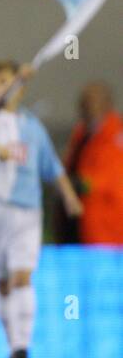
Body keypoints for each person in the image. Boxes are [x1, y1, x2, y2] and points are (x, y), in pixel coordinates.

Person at [0, 62, 83, 358]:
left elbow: (51, 165)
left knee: (22, 276)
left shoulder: (32, 127)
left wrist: (69, 196)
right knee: (3, 282)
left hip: (26, 211)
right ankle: (12, 346)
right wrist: (15, 82)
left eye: (3, 82)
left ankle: (22, 348)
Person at [64, 81, 123, 244]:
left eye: (92, 101)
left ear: (107, 104)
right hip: (78, 218)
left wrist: (80, 183)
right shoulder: (81, 133)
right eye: (84, 102)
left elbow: (112, 178)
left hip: (107, 225)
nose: (87, 107)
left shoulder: (116, 135)